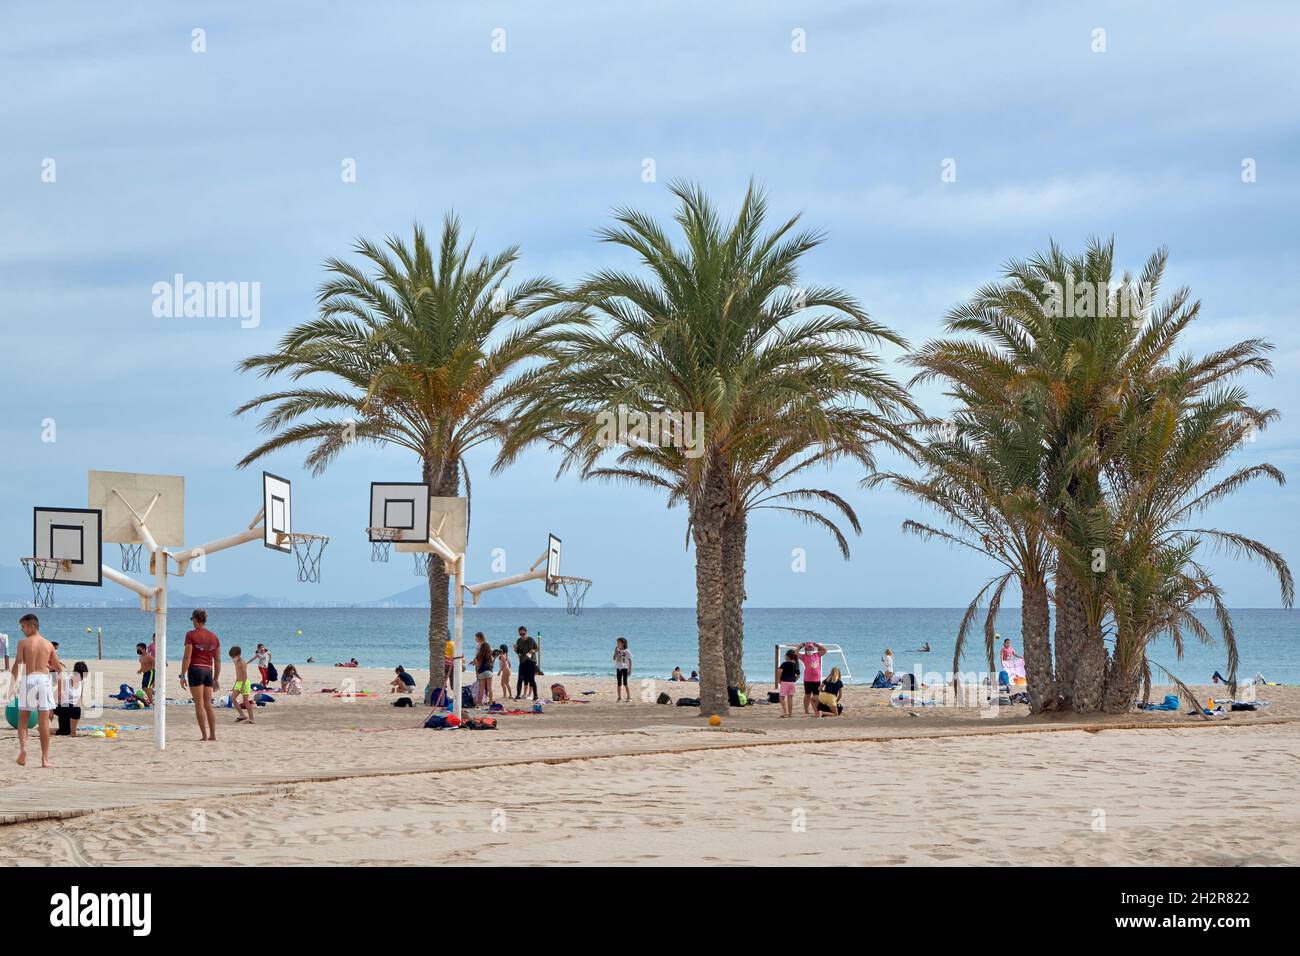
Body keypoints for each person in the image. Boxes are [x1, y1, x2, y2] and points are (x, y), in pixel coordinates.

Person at [10, 613, 59, 768]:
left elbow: (17, 663)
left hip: (29, 680)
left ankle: (24, 749)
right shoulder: (48, 644)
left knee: (23, 721)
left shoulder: (23, 643)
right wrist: (60, 688)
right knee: (43, 723)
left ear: (32, 626)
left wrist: (11, 684)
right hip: (44, 680)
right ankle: (44, 759)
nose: (22, 629)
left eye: (23, 626)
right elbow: (57, 668)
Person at [179, 608, 221, 741]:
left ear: (195, 619)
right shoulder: (214, 636)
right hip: (209, 671)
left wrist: (182, 675)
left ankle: (204, 735)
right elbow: (218, 660)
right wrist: (216, 678)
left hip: (196, 670)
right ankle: (213, 735)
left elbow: (187, 657)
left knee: (199, 704)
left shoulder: (191, 634)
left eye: (192, 619)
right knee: (208, 704)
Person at [54, 661, 88, 736]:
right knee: (64, 732)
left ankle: (73, 731)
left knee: (77, 709)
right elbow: (55, 697)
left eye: (83, 676)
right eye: (81, 676)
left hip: (71, 709)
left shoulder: (82, 682)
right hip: (59, 706)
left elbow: (80, 698)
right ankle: (43, 730)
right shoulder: (65, 680)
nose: (82, 678)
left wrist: (78, 707)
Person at [228, 646, 256, 724]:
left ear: (238, 655)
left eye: (234, 656)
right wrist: (235, 685)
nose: (233, 658)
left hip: (244, 683)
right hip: (238, 682)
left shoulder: (242, 663)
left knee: (245, 701)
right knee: (233, 699)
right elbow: (238, 675)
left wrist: (243, 686)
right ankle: (242, 715)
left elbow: (244, 675)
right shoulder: (236, 662)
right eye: (232, 657)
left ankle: (251, 719)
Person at [798, 642, 827, 716]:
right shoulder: (804, 657)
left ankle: (816, 710)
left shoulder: (817, 654)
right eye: (808, 648)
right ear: (805, 649)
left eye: (811, 648)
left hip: (816, 680)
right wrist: (800, 646)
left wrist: (817, 645)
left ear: (813, 649)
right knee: (807, 695)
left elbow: (825, 650)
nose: (809, 649)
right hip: (808, 680)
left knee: (816, 696)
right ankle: (806, 710)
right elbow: (795, 653)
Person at [514, 626, 539, 701]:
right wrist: (515, 650)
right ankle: (518, 695)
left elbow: (537, 648)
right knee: (520, 678)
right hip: (522, 661)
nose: (522, 635)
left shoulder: (530, 639)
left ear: (526, 632)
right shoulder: (518, 641)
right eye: (520, 634)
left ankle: (535, 695)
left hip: (531, 661)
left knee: (531, 679)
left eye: (523, 634)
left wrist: (533, 651)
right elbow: (518, 652)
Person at [776, 648, 800, 718]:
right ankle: (790, 713)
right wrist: (794, 680)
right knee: (790, 698)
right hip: (792, 683)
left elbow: (779, 671)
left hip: (785, 682)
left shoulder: (784, 664)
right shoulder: (795, 664)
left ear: (787, 656)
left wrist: (778, 680)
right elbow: (798, 675)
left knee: (781, 697)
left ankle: (786, 712)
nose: (784, 656)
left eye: (785, 655)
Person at [472, 633, 494, 705]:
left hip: (482, 671)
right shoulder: (489, 656)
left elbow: (477, 662)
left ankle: (480, 702)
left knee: (481, 688)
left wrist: (477, 670)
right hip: (489, 670)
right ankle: (490, 701)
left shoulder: (479, 655)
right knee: (489, 687)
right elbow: (492, 660)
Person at [136, 642, 156, 706]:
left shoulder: (149, 657)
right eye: (137, 649)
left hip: (150, 672)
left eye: (139, 649)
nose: (138, 650)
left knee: (147, 687)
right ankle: (154, 692)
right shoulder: (140, 657)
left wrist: (154, 679)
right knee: (144, 688)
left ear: (144, 649)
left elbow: (154, 665)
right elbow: (142, 666)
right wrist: (140, 670)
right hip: (145, 674)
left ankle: (151, 702)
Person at [613, 637, 633, 702]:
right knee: (619, 684)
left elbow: (630, 661)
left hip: (624, 668)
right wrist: (615, 652)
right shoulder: (617, 650)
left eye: (619, 642)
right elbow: (613, 658)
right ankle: (619, 697)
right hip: (618, 668)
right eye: (617, 642)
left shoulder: (627, 651)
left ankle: (629, 697)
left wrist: (630, 670)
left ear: (623, 643)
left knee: (625, 683)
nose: (618, 644)